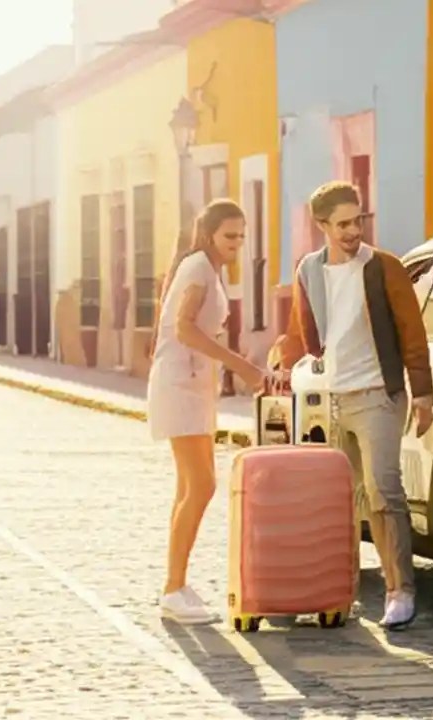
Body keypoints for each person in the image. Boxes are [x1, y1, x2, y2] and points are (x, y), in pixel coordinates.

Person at [279, 180, 433, 630]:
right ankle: (336, 590)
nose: (353, 230)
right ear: (322, 225)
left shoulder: (383, 267)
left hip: (378, 396)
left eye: (359, 220)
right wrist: (279, 364)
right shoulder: (309, 270)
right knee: (342, 499)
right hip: (332, 399)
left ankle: (399, 590)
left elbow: (412, 330)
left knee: (384, 492)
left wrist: (422, 393)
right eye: (343, 223)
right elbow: (301, 335)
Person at [147, 198, 269, 624]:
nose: (236, 243)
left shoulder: (205, 268)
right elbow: (183, 326)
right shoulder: (198, 267)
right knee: (201, 485)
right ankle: (173, 588)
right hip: (180, 385)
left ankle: (176, 585)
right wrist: (244, 366)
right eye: (229, 236)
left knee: (190, 486)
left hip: (194, 387)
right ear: (210, 234)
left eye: (241, 235)